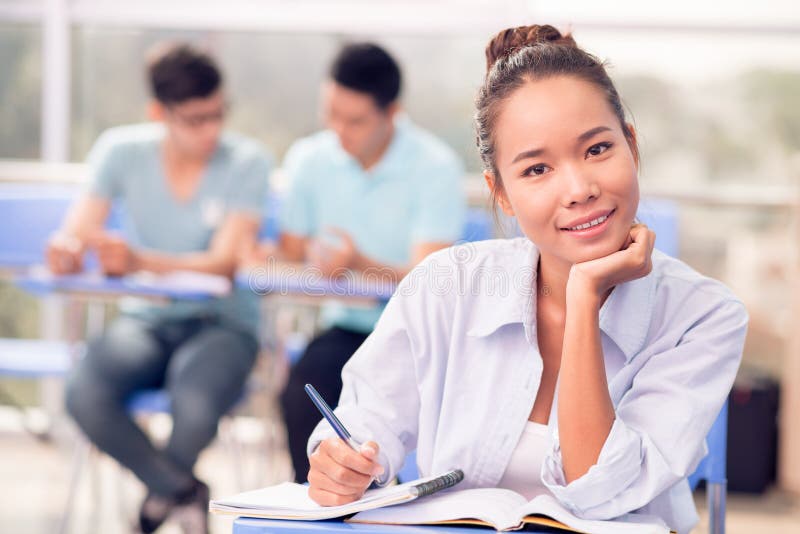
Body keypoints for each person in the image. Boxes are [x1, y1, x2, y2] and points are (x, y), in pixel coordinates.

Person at [304, 25, 748, 534]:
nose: (578, 189)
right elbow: (366, 420)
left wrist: (584, 298)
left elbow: (597, 488)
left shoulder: (704, 316)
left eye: (597, 149)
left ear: (631, 144)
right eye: (537, 170)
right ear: (502, 194)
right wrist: (341, 463)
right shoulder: (445, 285)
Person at [50, 43, 272, 534]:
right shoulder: (120, 152)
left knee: (193, 405)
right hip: (147, 319)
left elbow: (223, 266)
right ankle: (181, 491)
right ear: (159, 113)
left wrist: (138, 260)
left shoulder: (248, 162)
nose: (211, 130)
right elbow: (78, 232)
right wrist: (67, 249)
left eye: (219, 114)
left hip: (223, 325)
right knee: (84, 394)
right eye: (195, 120)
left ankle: (156, 501)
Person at [274, 42, 466, 483]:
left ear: (392, 113)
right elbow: (289, 252)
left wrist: (358, 262)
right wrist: (292, 260)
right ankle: (317, 505)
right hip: (347, 328)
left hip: (416, 335)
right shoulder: (309, 159)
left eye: (355, 121)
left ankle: (380, 504)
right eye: (331, 115)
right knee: (301, 393)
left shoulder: (435, 167)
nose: (339, 130)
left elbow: (430, 277)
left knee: (396, 416)